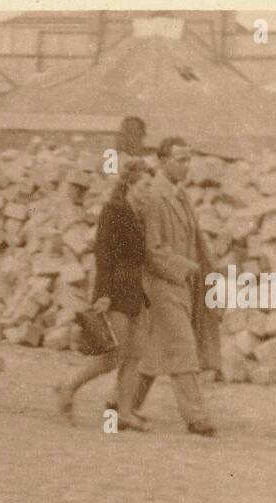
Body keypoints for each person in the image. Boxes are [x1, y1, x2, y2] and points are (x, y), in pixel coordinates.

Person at [125, 137, 216, 436]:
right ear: (162, 161)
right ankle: (196, 417)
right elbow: (153, 250)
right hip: (161, 285)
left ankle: (121, 404)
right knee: (182, 346)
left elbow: (194, 238)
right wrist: (187, 268)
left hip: (181, 285)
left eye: (189, 160)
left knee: (154, 353)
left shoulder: (179, 195)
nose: (186, 166)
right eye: (180, 159)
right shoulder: (154, 196)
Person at [55, 157, 151, 429]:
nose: (148, 189)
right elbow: (104, 255)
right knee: (111, 357)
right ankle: (67, 388)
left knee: (135, 354)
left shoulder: (137, 213)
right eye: (144, 184)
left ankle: (124, 412)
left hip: (135, 291)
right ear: (129, 184)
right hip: (117, 291)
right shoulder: (113, 210)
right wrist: (103, 294)